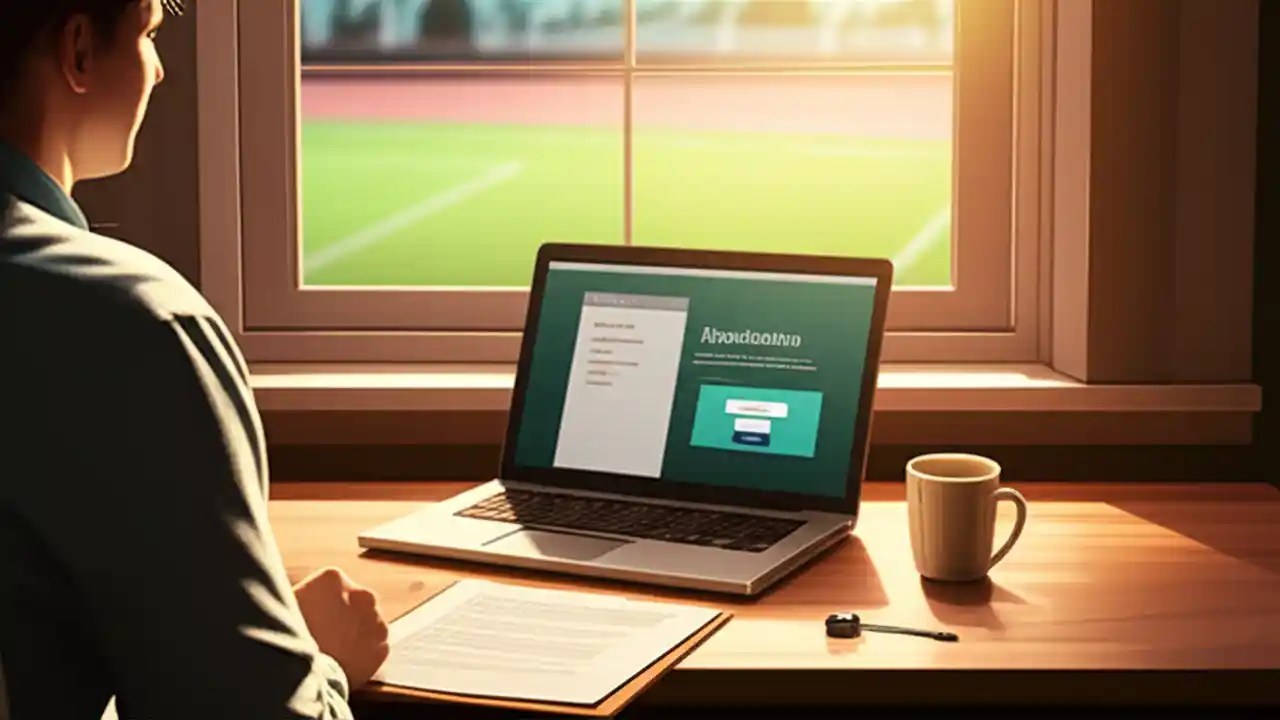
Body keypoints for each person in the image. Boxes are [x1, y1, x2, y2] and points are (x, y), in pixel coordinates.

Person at [0, 2, 390, 718]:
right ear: (80, 51)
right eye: (149, 35)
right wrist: (318, 660)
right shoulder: (131, 325)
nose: (160, 67)